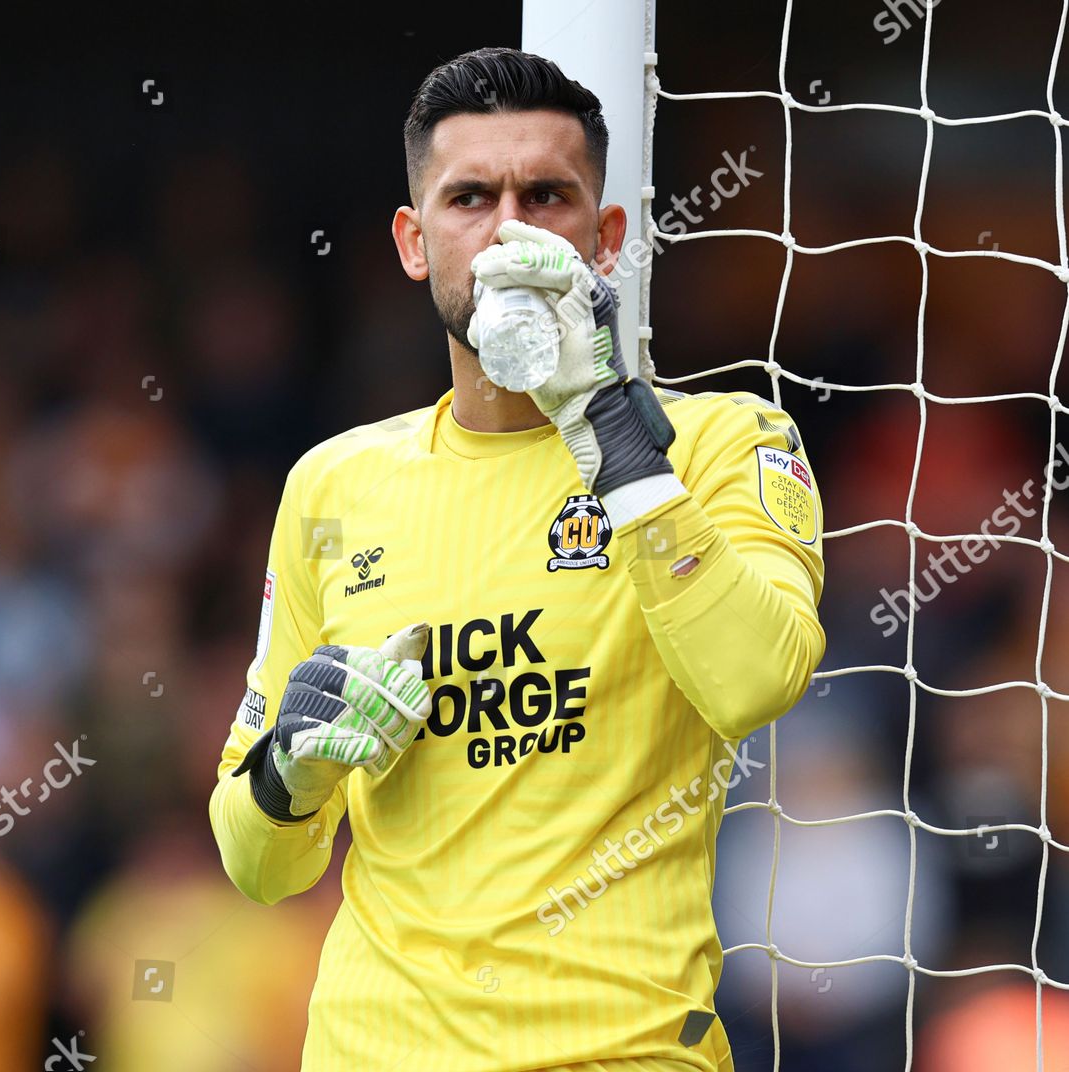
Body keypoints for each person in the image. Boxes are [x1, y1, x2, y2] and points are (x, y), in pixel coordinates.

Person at [208, 45, 826, 1072]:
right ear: (414, 243)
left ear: (606, 238)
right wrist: (294, 769)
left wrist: (608, 431)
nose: (508, 230)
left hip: (620, 1053)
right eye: (469, 199)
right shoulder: (333, 484)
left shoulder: (725, 441)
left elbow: (759, 679)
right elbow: (256, 865)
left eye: (546, 195)